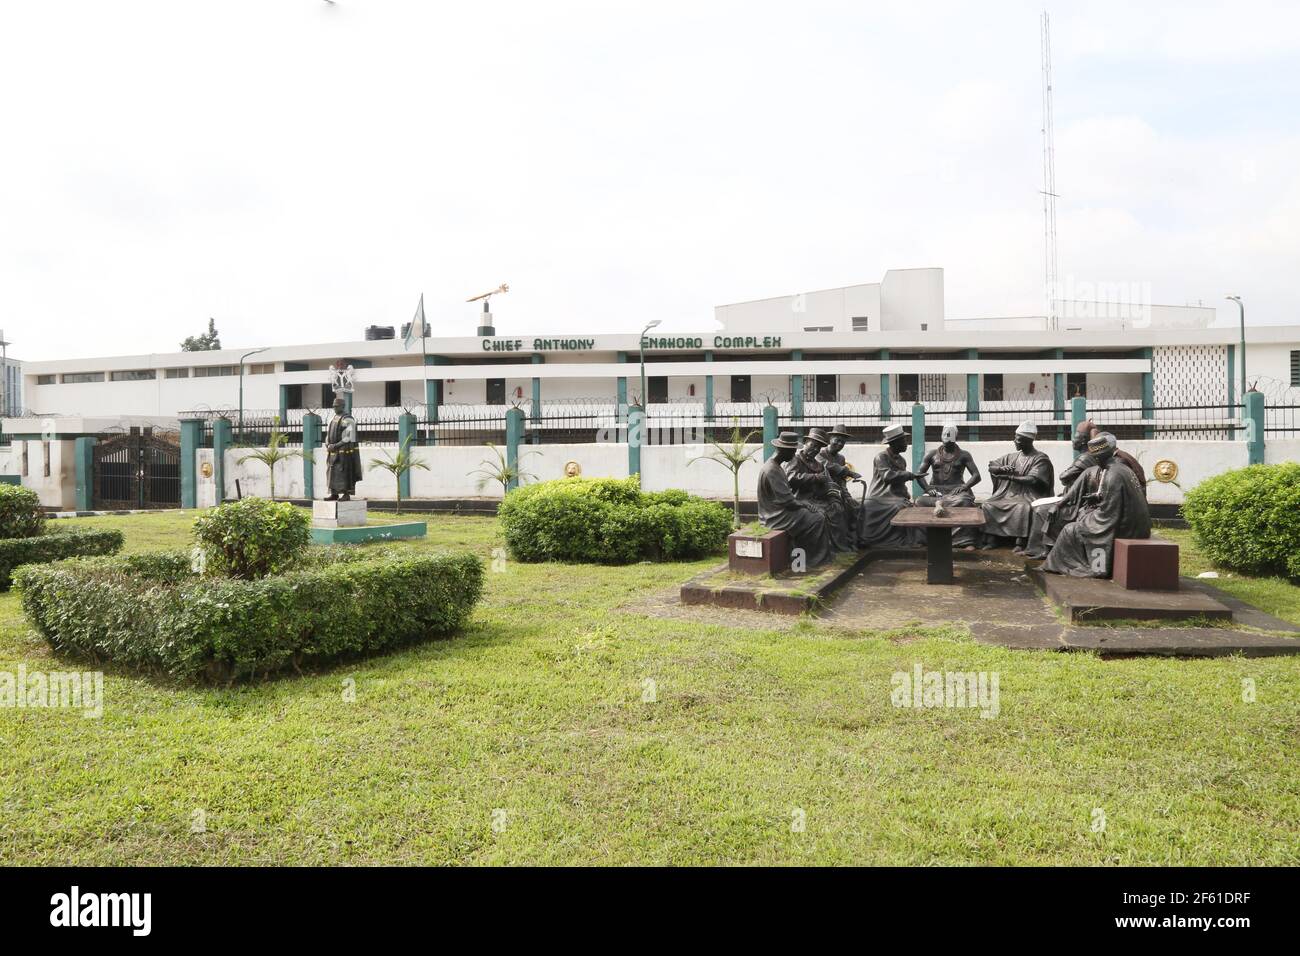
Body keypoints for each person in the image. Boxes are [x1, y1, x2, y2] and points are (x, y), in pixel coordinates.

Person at [1043, 432, 1152, 578]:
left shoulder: (1113, 475)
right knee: (1078, 520)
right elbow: (1116, 499)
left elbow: (1108, 516)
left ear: (1096, 458)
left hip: (1128, 529)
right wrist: (1097, 497)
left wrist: (1085, 519)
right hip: (1137, 526)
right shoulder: (1121, 469)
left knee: (1070, 530)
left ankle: (1080, 566)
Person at [757, 431, 834, 569]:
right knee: (817, 518)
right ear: (783, 450)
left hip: (779, 509)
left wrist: (804, 504)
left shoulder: (775, 466)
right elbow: (788, 502)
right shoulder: (772, 470)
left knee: (818, 514)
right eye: (792, 451)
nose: (794, 454)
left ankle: (811, 556)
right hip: (774, 515)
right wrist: (804, 504)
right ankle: (813, 559)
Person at [980, 421, 1054, 552]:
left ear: (1027, 441)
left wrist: (1010, 477)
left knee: (1022, 507)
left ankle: (1020, 542)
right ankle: (992, 539)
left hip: (1029, 495)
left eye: (1018, 439)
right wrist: (1001, 468)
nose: (1014, 441)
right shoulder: (1011, 457)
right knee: (988, 504)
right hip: (1008, 494)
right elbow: (992, 466)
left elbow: (1033, 480)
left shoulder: (1040, 459)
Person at [785, 427, 853, 553]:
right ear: (806, 443)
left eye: (818, 447)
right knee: (821, 515)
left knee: (837, 509)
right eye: (813, 445)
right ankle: (820, 551)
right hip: (800, 499)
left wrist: (834, 497)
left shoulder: (818, 464)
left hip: (817, 499)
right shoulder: (795, 459)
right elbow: (791, 478)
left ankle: (837, 547)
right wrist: (814, 477)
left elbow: (829, 483)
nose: (815, 449)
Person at [916, 422, 982, 549]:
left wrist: (965, 487)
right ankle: (923, 540)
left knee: (965, 502)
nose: (947, 439)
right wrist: (927, 488)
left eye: (950, 436)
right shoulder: (931, 454)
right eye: (945, 435)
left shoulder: (964, 455)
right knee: (920, 502)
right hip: (936, 492)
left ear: (956, 437)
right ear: (941, 436)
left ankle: (965, 541)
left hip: (956, 492)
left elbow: (976, 475)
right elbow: (919, 474)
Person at [858, 423, 924, 549]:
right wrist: (910, 475)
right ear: (895, 443)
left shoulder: (902, 460)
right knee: (900, 507)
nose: (907, 443)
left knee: (908, 505)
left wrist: (905, 494)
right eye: (904, 441)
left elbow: (900, 483)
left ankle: (908, 539)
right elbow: (888, 476)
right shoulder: (881, 457)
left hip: (895, 496)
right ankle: (893, 541)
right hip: (880, 496)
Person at [817, 424, 865, 551]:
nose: (840, 444)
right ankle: (839, 546)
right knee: (838, 511)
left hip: (839, 493)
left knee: (857, 507)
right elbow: (828, 466)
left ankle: (854, 540)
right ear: (830, 439)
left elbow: (842, 481)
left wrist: (847, 496)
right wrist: (849, 472)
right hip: (823, 493)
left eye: (843, 442)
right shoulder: (819, 453)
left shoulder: (841, 458)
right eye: (837, 440)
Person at [324, 395, 363, 501]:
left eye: (336, 406)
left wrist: (335, 446)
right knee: (332, 472)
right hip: (332, 452)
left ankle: (346, 494)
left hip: (344, 452)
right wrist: (327, 443)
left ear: (342, 406)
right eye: (333, 406)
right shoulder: (333, 418)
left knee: (343, 473)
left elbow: (349, 437)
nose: (334, 408)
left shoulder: (348, 419)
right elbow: (328, 434)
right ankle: (334, 493)